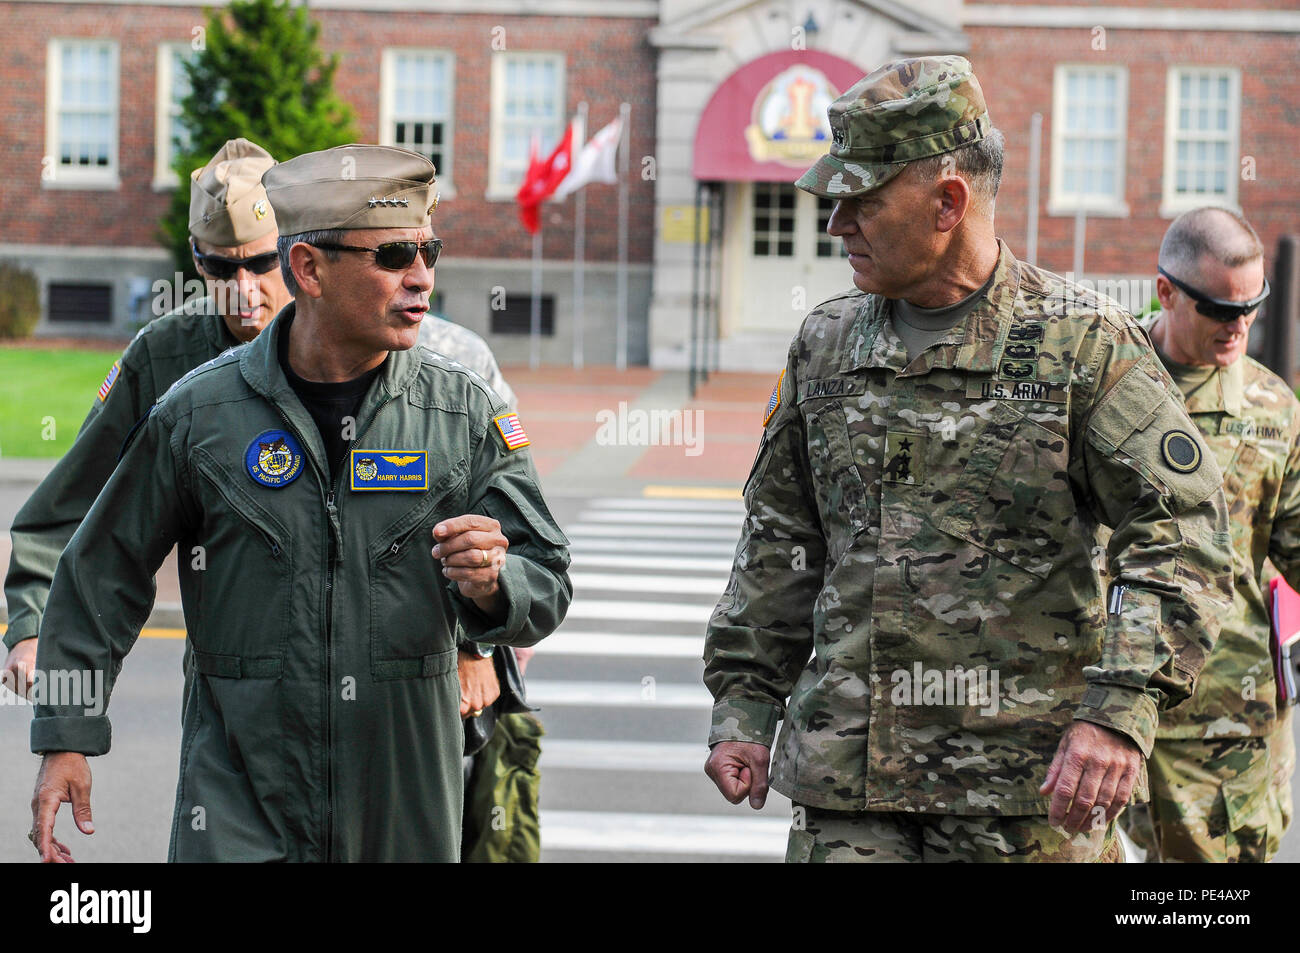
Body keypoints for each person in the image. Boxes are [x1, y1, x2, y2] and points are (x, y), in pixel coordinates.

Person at [701, 55, 1234, 863]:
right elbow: (782, 537)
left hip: (1025, 800)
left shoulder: (1081, 344)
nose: (836, 224)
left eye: (862, 201)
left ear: (948, 201)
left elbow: (1183, 531)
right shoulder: (826, 342)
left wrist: (1119, 709)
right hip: (850, 794)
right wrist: (745, 703)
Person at [26, 144, 572, 862]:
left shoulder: (462, 413)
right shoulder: (198, 413)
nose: (421, 277)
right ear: (310, 268)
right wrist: (66, 735)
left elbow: (547, 575)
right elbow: (102, 570)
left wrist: (495, 586)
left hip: (402, 808)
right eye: (394, 255)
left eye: (428, 252)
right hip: (238, 807)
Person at [3, 138, 290, 693]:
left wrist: (468, 645)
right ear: (196, 258)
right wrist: (33, 626)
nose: (242, 290)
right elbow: (74, 501)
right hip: (225, 683)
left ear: (296, 247)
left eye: (262, 263)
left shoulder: (348, 341)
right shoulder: (163, 356)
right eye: (220, 267)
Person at [1119, 206, 1296, 862]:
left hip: (1224, 717)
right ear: (1166, 291)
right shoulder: (1106, 383)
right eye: (1222, 308)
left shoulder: (1274, 410)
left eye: (1254, 305)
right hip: (1101, 702)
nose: (1240, 324)